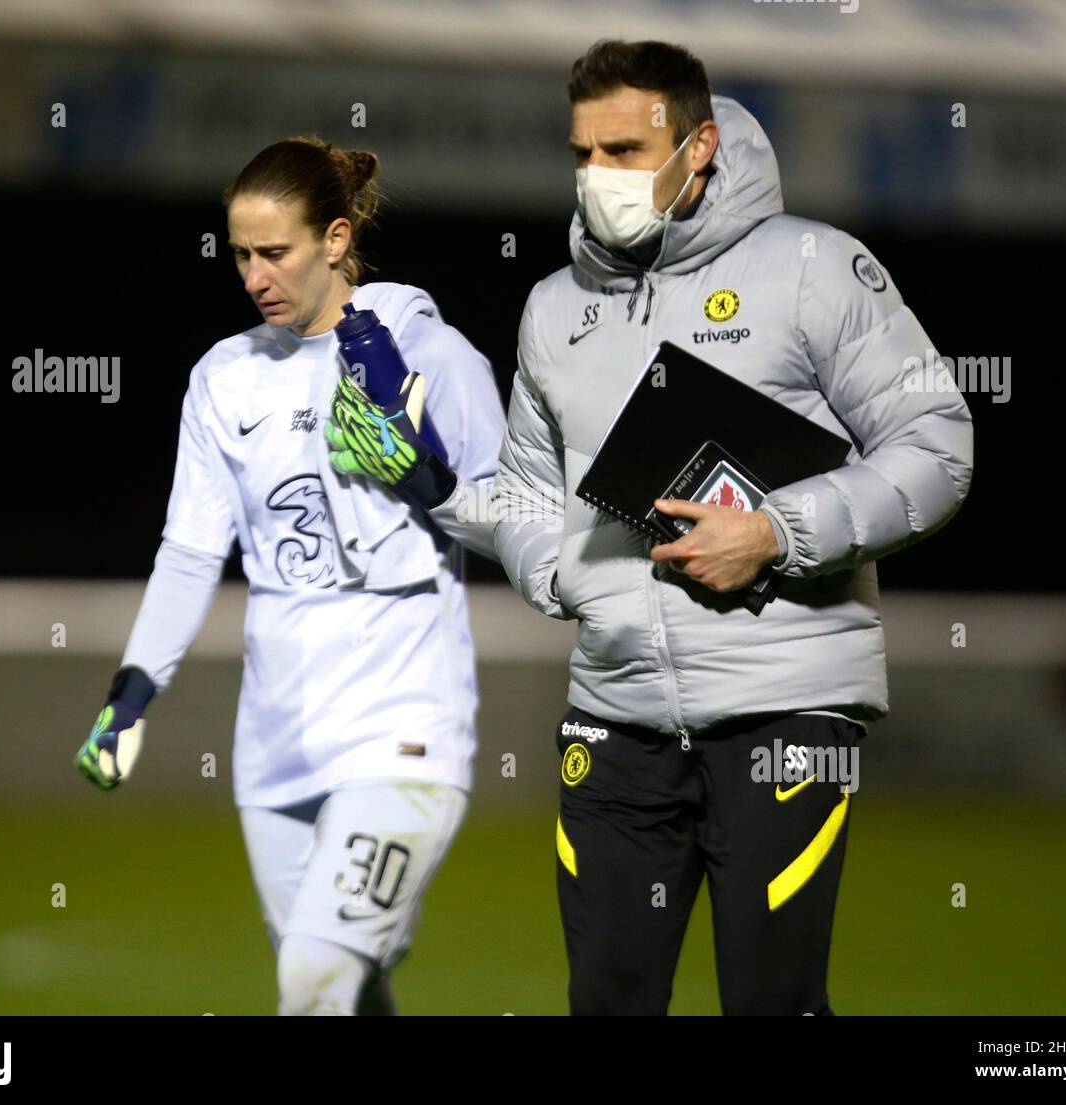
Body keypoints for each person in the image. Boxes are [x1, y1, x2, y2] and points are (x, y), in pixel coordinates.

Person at [493, 40, 974, 1015]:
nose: (599, 177)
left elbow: (937, 447)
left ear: (699, 143)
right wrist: (559, 578)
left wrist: (778, 530)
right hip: (613, 713)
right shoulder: (552, 308)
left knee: (772, 999)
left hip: (785, 707)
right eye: (582, 153)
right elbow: (522, 495)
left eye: (625, 149)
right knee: (607, 1001)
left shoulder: (814, 267)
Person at [73, 136, 504, 1015]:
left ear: (336, 240)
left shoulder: (432, 356)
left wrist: (428, 478)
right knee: (346, 980)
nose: (254, 274)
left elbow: (523, 527)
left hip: (403, 724)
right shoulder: (224, 379)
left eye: (276, 251)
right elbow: (192, 551)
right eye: (240, 254)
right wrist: (131, 693)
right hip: (276, 742)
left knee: (312, 976)